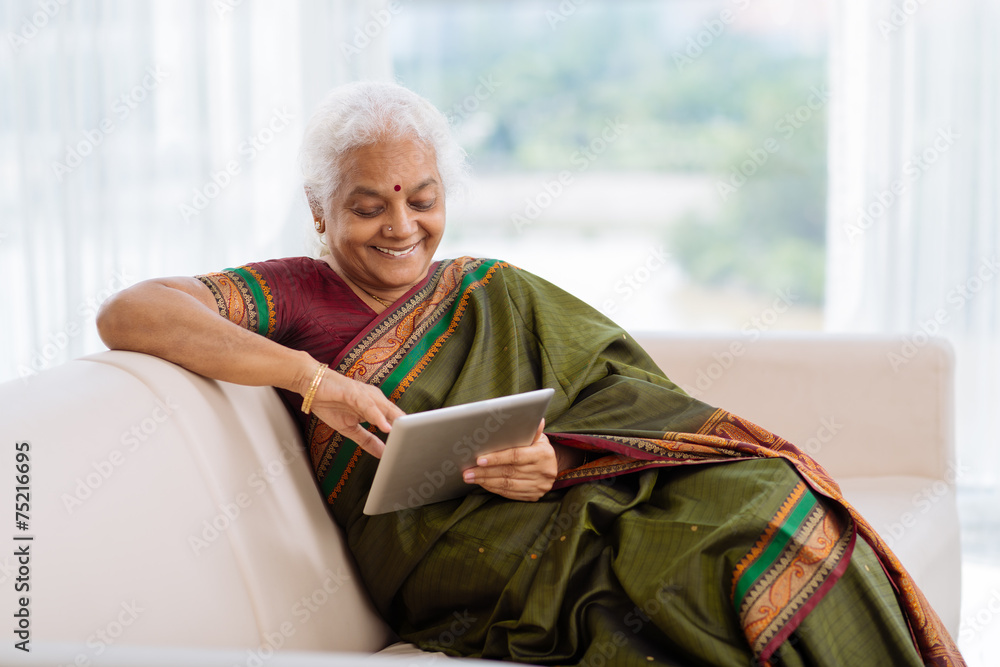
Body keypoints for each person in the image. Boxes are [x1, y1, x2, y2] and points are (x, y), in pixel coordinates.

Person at [97, 81, 964, 667]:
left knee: (772, 497)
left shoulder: (488, 290)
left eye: (422, 195)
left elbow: (618, 389)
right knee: (702, 568)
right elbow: (130, 311)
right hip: (445, 554)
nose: (401, 225)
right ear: (321, 210)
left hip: (557, 493)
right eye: (368, 204)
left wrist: (556, 458)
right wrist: (312, 380)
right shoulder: (297, 293)